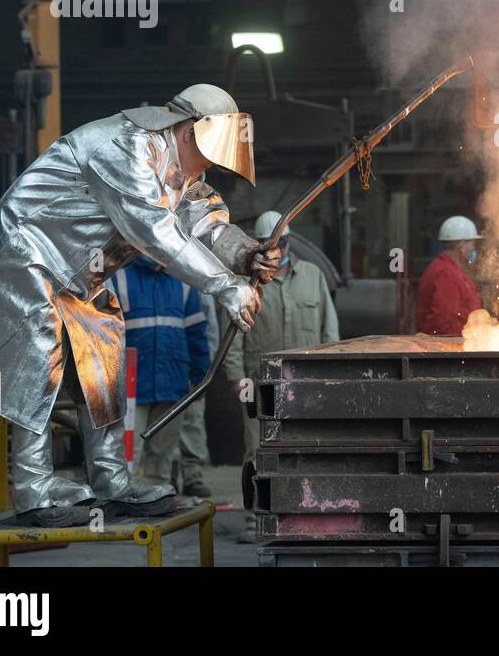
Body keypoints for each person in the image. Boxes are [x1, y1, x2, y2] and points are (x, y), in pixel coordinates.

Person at [0, 84, 281, 527]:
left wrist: (246, 254)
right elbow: (156, 230)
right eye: (205, 158)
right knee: (38, 359)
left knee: (103, 353)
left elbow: (202, 220)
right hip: (24, 250)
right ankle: (34, 490)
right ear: (187, 132)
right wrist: (225, 287)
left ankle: (111, 479)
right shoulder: (125, 148)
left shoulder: (178, 170)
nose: (205, 172)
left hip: (78, 273)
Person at [224, 210, 339, 541]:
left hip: (306, 382)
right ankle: (253, 518)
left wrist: (331, 373)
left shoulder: (313, 277)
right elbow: (233, 337)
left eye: (282, 242)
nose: (277, 250)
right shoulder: (244, 282)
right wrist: (237, 378)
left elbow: (329, 331)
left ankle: (301, 515)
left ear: (290, 242)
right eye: (269, 245)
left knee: (305, 449)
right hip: (259, 386)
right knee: (257, 452)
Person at [111, 256, 210, 490]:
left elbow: (196, 333)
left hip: (172, 385)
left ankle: (157, 503)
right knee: (127, 454)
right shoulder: (120, 279)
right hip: (133, 388)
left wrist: (200, 376)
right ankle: (124, 505)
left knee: (162, 455)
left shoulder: (184, 282)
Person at [176, 291, 218, 498]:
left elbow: (209, 325)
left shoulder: (192, 282)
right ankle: (167, 478)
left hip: (191, 365)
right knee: (164, 427)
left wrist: (203, 369)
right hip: (167, 365)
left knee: (192, 423)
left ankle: (193, 477)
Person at [416, 216, 484, 336]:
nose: (473, 248)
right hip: (448, 347)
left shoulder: (453, 269)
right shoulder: (446, 273)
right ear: (461, 244)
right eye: (472, 243)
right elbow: (445, 317)